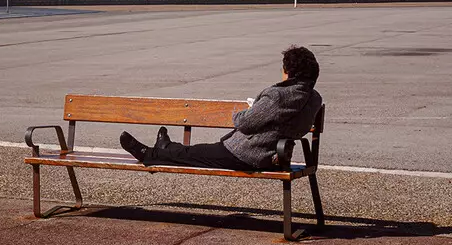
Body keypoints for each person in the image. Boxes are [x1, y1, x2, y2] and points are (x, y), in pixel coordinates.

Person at [118, 46, 324, 171]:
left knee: (193, 155)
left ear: (288, 72)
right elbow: (299, 127)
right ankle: (165, 147)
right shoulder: (313, 98)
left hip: (249, 154)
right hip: (276, 156)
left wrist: (248, 109)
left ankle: (148, 154)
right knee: (197, 152)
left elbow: (243, 123)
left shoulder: (278, 95)